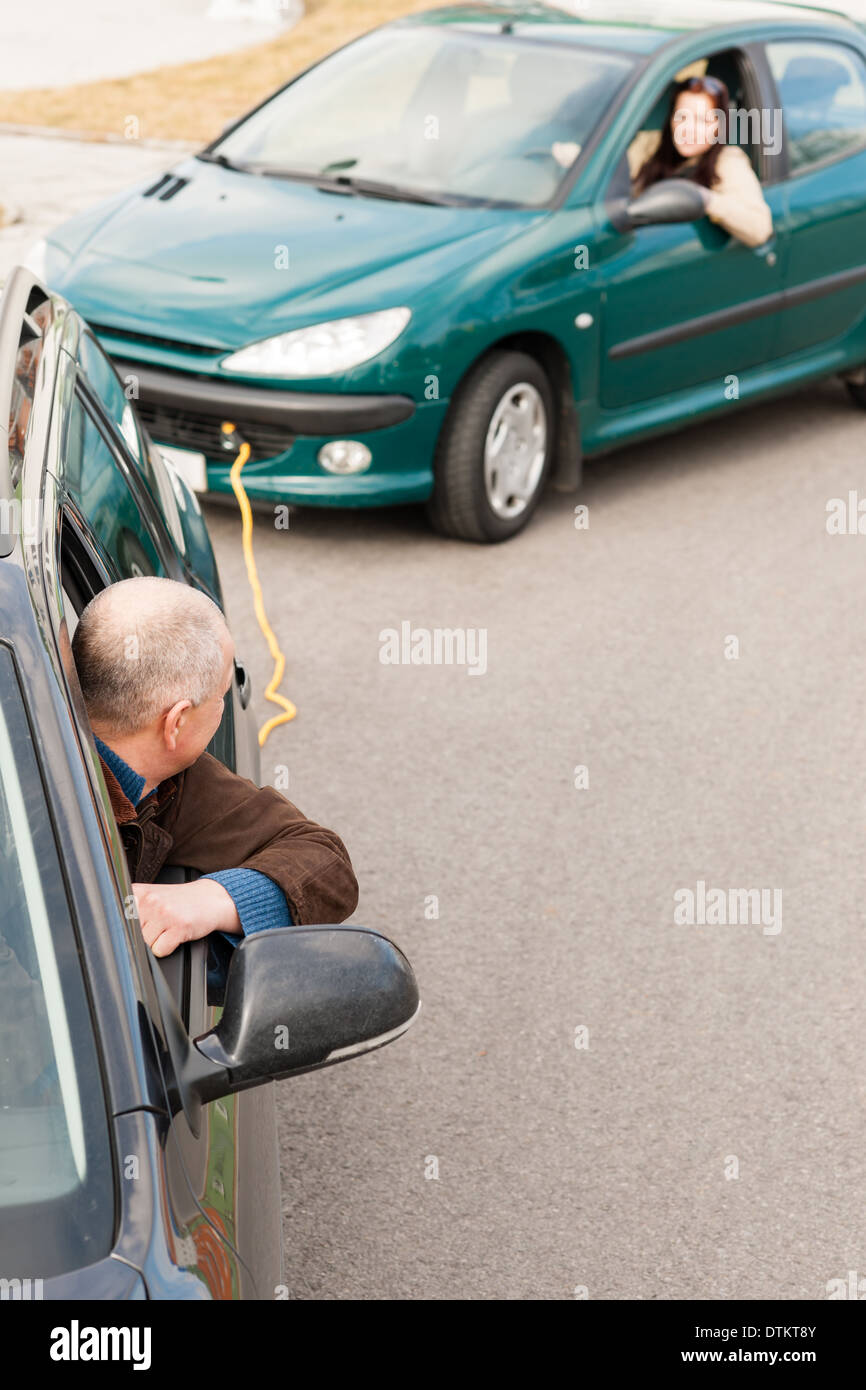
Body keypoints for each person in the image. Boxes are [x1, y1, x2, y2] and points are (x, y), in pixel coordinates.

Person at [70, 576, 358, 962]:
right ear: (176, 723)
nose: (227, 705)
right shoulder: (31, 814)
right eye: (221, 695)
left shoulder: (169, 781)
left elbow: (325, 861)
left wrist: (212, 899)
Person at [628, 74, 773, 248]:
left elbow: (760, 230)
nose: (688, 130)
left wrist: (705, 199)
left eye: (703, 120)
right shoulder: (649, 144)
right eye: (682, 117)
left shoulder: (728, 162)